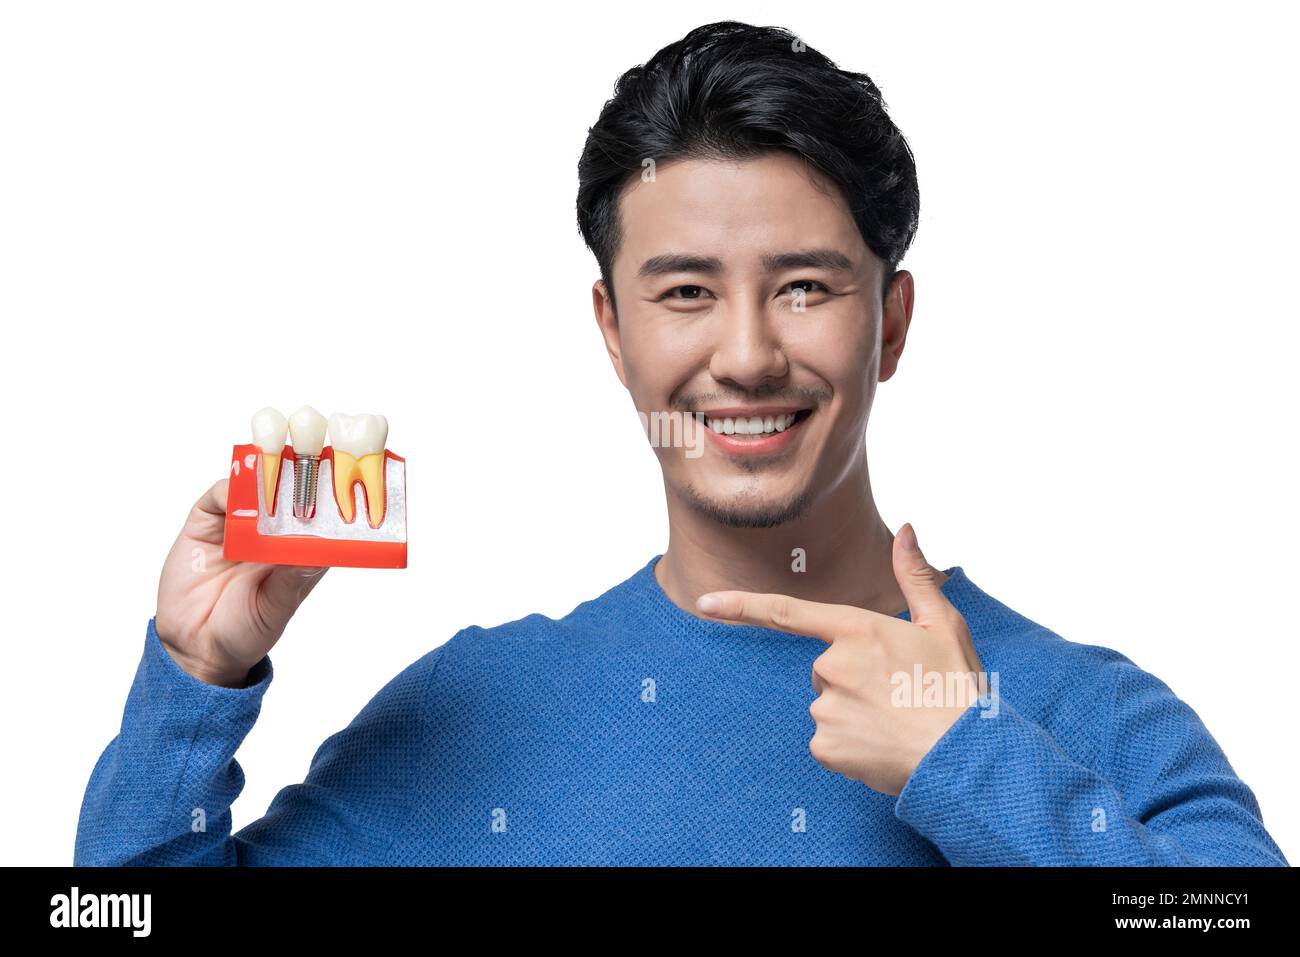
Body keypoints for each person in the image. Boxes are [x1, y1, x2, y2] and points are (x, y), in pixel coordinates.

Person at [75, 20, 1287, 866]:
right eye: (685, 291)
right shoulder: (481, 707)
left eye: (807, 286)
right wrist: (194, 688)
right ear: (612, 329)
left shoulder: (1094, 715)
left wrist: (969, 766)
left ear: (893, 322)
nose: (749, 355)